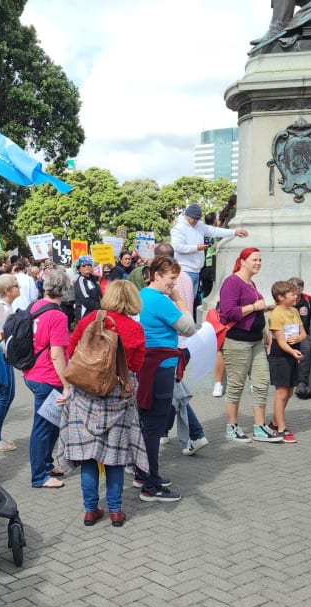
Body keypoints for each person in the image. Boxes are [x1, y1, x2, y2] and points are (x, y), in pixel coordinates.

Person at [61, 281, 147, 527]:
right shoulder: (135, 328)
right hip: (118, 395)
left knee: (87, 456)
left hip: (85, 394)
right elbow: (136, 365)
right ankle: (116, 511)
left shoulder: (91, 319)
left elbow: (72, 350)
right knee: (115, 457)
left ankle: (90, 510)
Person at [135, 255, 195, 502]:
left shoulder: (142, 295)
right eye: (172, 278)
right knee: (154, 426)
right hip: (160, 367)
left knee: (147, 423)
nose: (174, 284)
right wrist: (179, 300)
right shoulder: (160, 300)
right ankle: (151, 485)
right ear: (157, 275)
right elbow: (189, 327)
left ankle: (144, 475)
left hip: (149, 365)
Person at [218, 248, 279, 443]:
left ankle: (259, 427)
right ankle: (232, 427)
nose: (258, 263)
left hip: (255, 341)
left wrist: (267, 308)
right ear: (243, 261)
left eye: (260, 260)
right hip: (237, 341)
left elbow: (252, 311)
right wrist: (254, 307)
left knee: (261, 383)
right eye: (254, 259)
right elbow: (228, 312)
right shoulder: (232, 282)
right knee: (236, 384)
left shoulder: (250, 283)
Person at [24, 269, 72, 489]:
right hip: (48, 376)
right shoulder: (58, 316)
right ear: (64, 290)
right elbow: (57, 354)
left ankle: (46, 464)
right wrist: (67, 384)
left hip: (33, 372)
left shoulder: (34, 307)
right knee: (43, 427)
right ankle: (38, 476)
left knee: (51, 423)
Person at [170, 203, 248, 317]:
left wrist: (234, 232)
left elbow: (214, 231)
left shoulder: (199, 225)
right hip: (185, 269)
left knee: (191, 301)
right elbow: (176, 247)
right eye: (193, 219)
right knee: (184, 302)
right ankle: (184, 323)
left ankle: (188, 322)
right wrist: (196, 248)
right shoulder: (179, 228)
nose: (195, 222)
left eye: (197, 219)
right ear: (187, 216)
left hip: (196, 270)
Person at [267, 280, 306, 443]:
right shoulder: (276, 314)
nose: (296, 296)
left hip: (292, 354)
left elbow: (303, 333)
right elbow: (281, 341)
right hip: (280, 356)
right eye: (292, 294)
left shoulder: (294, 311)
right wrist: (292, 351)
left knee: (289, 392)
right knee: (281, 393)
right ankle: (281, 429)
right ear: (280, 297)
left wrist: (299, 338)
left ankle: (275, 422)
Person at [0, 274, 20, 451]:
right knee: (3, 396)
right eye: (16, 285)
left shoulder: (6, 306)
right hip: (1, 356)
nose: (19, 288)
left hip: (6, 356)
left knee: (9, 395)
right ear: (7, 290)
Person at [289, 277, 311, 399]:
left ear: (300, 290)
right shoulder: (284, 299)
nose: (290, 291)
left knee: (307, 346)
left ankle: (302, 383)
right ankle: (287, 382)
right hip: (285, 336)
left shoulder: (308, 300)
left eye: (293, 288)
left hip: (303, 336)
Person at [73, 255, 102, 322]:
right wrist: (100, 307)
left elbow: (99, 295)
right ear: (79, 269)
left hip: (95, 313)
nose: (87, 266)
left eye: (89, 265)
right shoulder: (81, 280)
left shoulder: (93, 279)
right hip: (85, 315)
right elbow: (86, 300)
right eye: (83, 265)